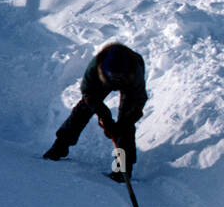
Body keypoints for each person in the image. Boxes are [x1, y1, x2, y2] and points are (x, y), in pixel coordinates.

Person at [43, 43, 148, 181]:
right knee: (82, 111)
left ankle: (123, 169)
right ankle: (59, 146)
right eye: (112, 74)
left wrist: (123, 123)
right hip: (102, 81)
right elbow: (87, 93)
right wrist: (103, 114)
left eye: (118, 75)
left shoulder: (135, 71)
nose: (115, 78)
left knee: (125, 125)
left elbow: (138, 101)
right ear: (104, 70)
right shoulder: (95, 66)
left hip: (129, 81)